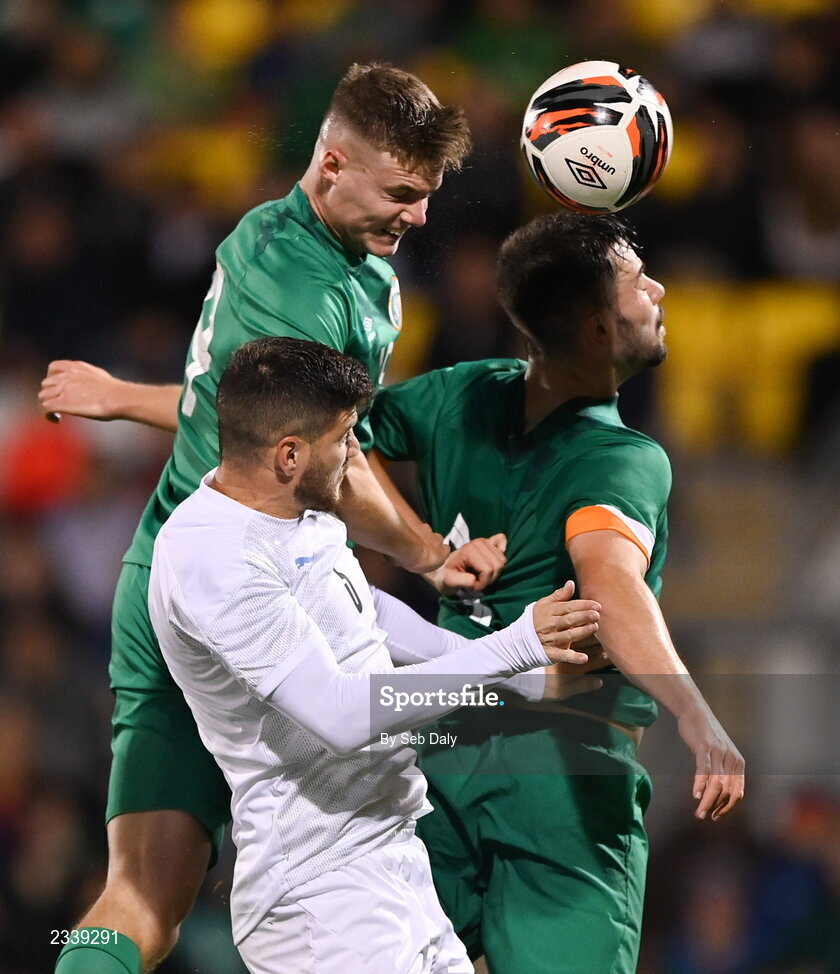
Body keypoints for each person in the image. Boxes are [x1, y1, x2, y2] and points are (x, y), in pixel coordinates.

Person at [42, 63, 474, 974]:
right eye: (402, 192)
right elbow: (327, 461)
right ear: (330, 165)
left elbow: (228, 410)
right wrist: (432, 556)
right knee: (195, 889)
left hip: (213, 573)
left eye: (428, 195)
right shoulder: (309, 294)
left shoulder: (302, 249)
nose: (419, 215)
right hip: (231, 579)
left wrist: (127, 397)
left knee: (144, 898)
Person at [148, 335, 602, 974]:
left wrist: (525, 678)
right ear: (288, 454)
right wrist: (515, 644)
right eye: (344, 439)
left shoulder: (300, 511)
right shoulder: (214, 558)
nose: (355, 455)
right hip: (316, 891)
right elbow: (340, 714)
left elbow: (369, 617)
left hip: (388, 852)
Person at [370, 211, 746, 974]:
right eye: (640, 283)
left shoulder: (458, 394)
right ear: (600, 329)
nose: (660, 290)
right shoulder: (619, 457)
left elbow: (329, 438)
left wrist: (422, 548)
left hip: (437, 753)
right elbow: (607, 582)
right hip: (562, 776)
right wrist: (696, 714)